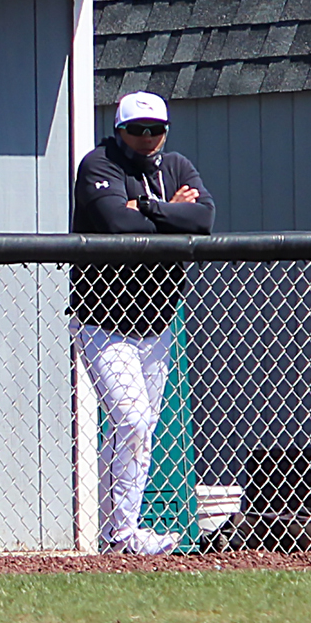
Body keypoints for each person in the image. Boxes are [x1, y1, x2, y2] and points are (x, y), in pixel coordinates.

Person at [71, 91, 215, 555]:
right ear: (120, 130)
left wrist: (149, 208)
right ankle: (117, 533)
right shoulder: (99, 165)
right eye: (138, 130)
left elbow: (204, 217)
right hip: (102, 318)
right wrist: (170, 210)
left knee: (141, 429)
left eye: (156, 130)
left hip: (157, 319)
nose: (148, 139)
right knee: (130, 420)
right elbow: (115, 223)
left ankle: (122, 535)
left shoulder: (176, 164)